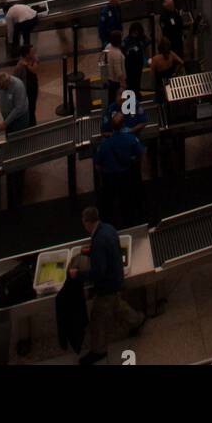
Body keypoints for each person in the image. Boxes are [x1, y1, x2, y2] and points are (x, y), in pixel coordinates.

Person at [76, 206, 145, 364]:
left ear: (87, 222)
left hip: (107, 285)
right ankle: (137, 320)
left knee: (97, 318)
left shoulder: (98, 240)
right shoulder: (108, 228)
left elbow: (99, 271)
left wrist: (79, 275)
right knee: (117, 305)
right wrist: (91, 251)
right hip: (116, 277)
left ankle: (99, 350)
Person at [94, 110, 145, 226]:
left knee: (109, 203)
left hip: (109, 178)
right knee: (126, 201)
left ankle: (110, 225)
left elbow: (97, 164)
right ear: (123, 125)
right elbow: (140, 153)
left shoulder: (105, 144)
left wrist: (103, 175)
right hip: (126, 175)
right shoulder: (131, 139)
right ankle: (129, 224)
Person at [14, 43, 40, 127]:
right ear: (27, 54)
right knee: (28, 108)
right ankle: (30, 124)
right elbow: (16, 78)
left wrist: (27, 64)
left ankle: (32, 123)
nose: (33, 53)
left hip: (34, 86)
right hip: (25, 89)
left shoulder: (34, 59)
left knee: (32, 106)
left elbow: (34, 70)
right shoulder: (19, 66)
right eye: (31, 52)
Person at [122, 21, 148, 103]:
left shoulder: (141, 38)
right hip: (129, 64)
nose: (136, 33)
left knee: (137, 80)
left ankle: (137, 94)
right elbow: (123, 52)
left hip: (138, 63)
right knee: (130, 81)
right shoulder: (126, 40)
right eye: (134, 31)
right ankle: (130, 98)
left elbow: (147, 42)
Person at [103, 31, 126, 107]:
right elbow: (118, 72)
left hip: (110, 78)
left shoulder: (108, 46)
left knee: (111, 98)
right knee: (117, 101)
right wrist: (123, 83)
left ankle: (110, 112)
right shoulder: (117, 53)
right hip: (116, 81)